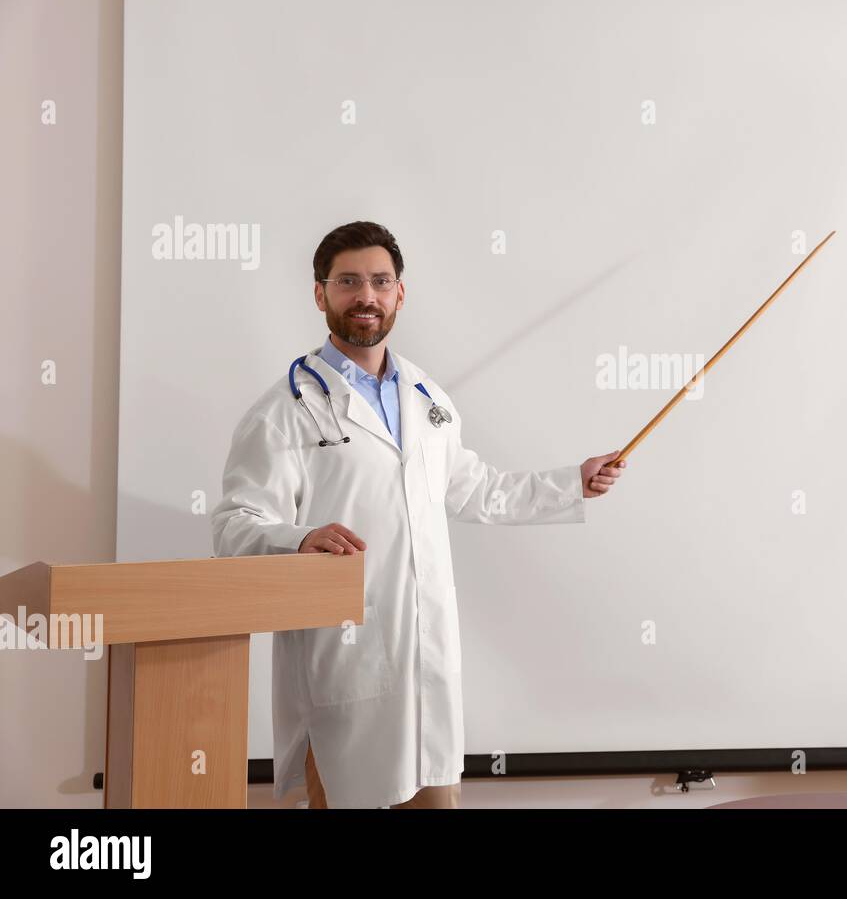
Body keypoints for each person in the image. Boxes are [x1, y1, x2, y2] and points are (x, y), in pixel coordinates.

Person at [211, 220, 626, 808]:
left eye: (381, 281)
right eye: (348, 281)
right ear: (320, 293)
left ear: (400, 293)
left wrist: (571, 484)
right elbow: (233, 526)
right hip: (342, 664)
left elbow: (476, 489)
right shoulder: (284, 410)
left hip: (425, 672)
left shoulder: (428, 400)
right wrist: (300, 540)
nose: (366, 296)